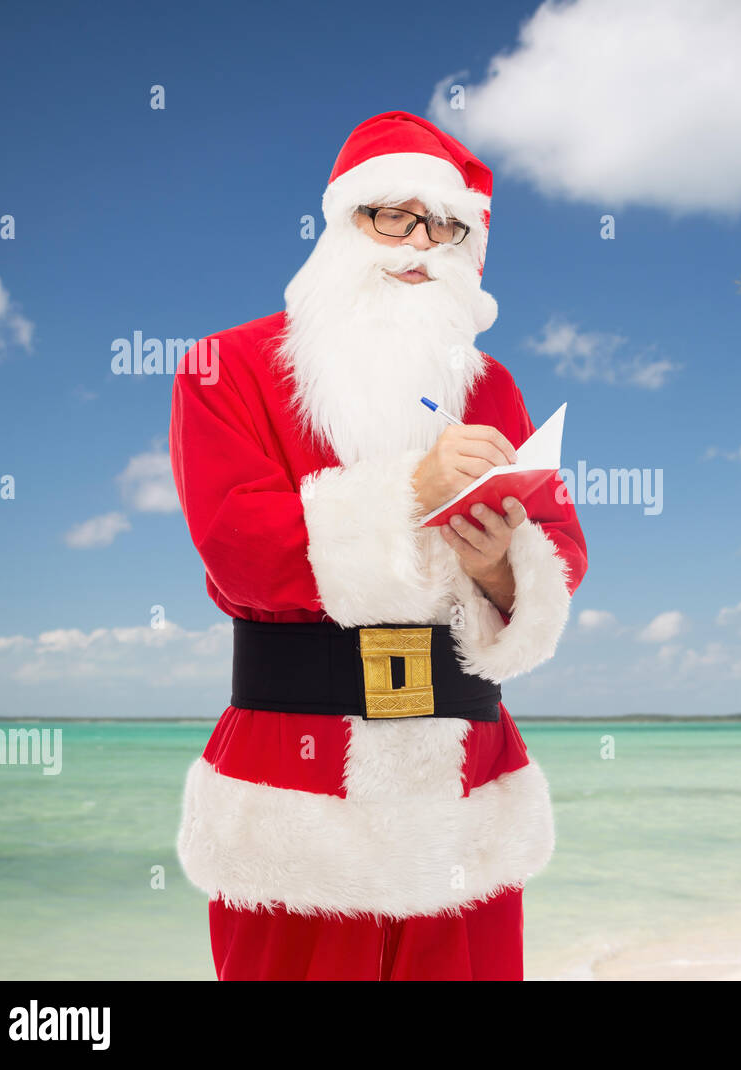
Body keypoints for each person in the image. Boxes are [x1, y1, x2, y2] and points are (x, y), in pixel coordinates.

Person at [169, 111, 588, 981]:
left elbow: (558, 545)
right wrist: (410, 496)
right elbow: (236, 547)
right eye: (391, 215)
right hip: (295, 793)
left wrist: (496, 567)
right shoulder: (226, 366)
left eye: (445, 224)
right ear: (341, 226)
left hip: (469, 785)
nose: (419, 244)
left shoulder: (494, 385)